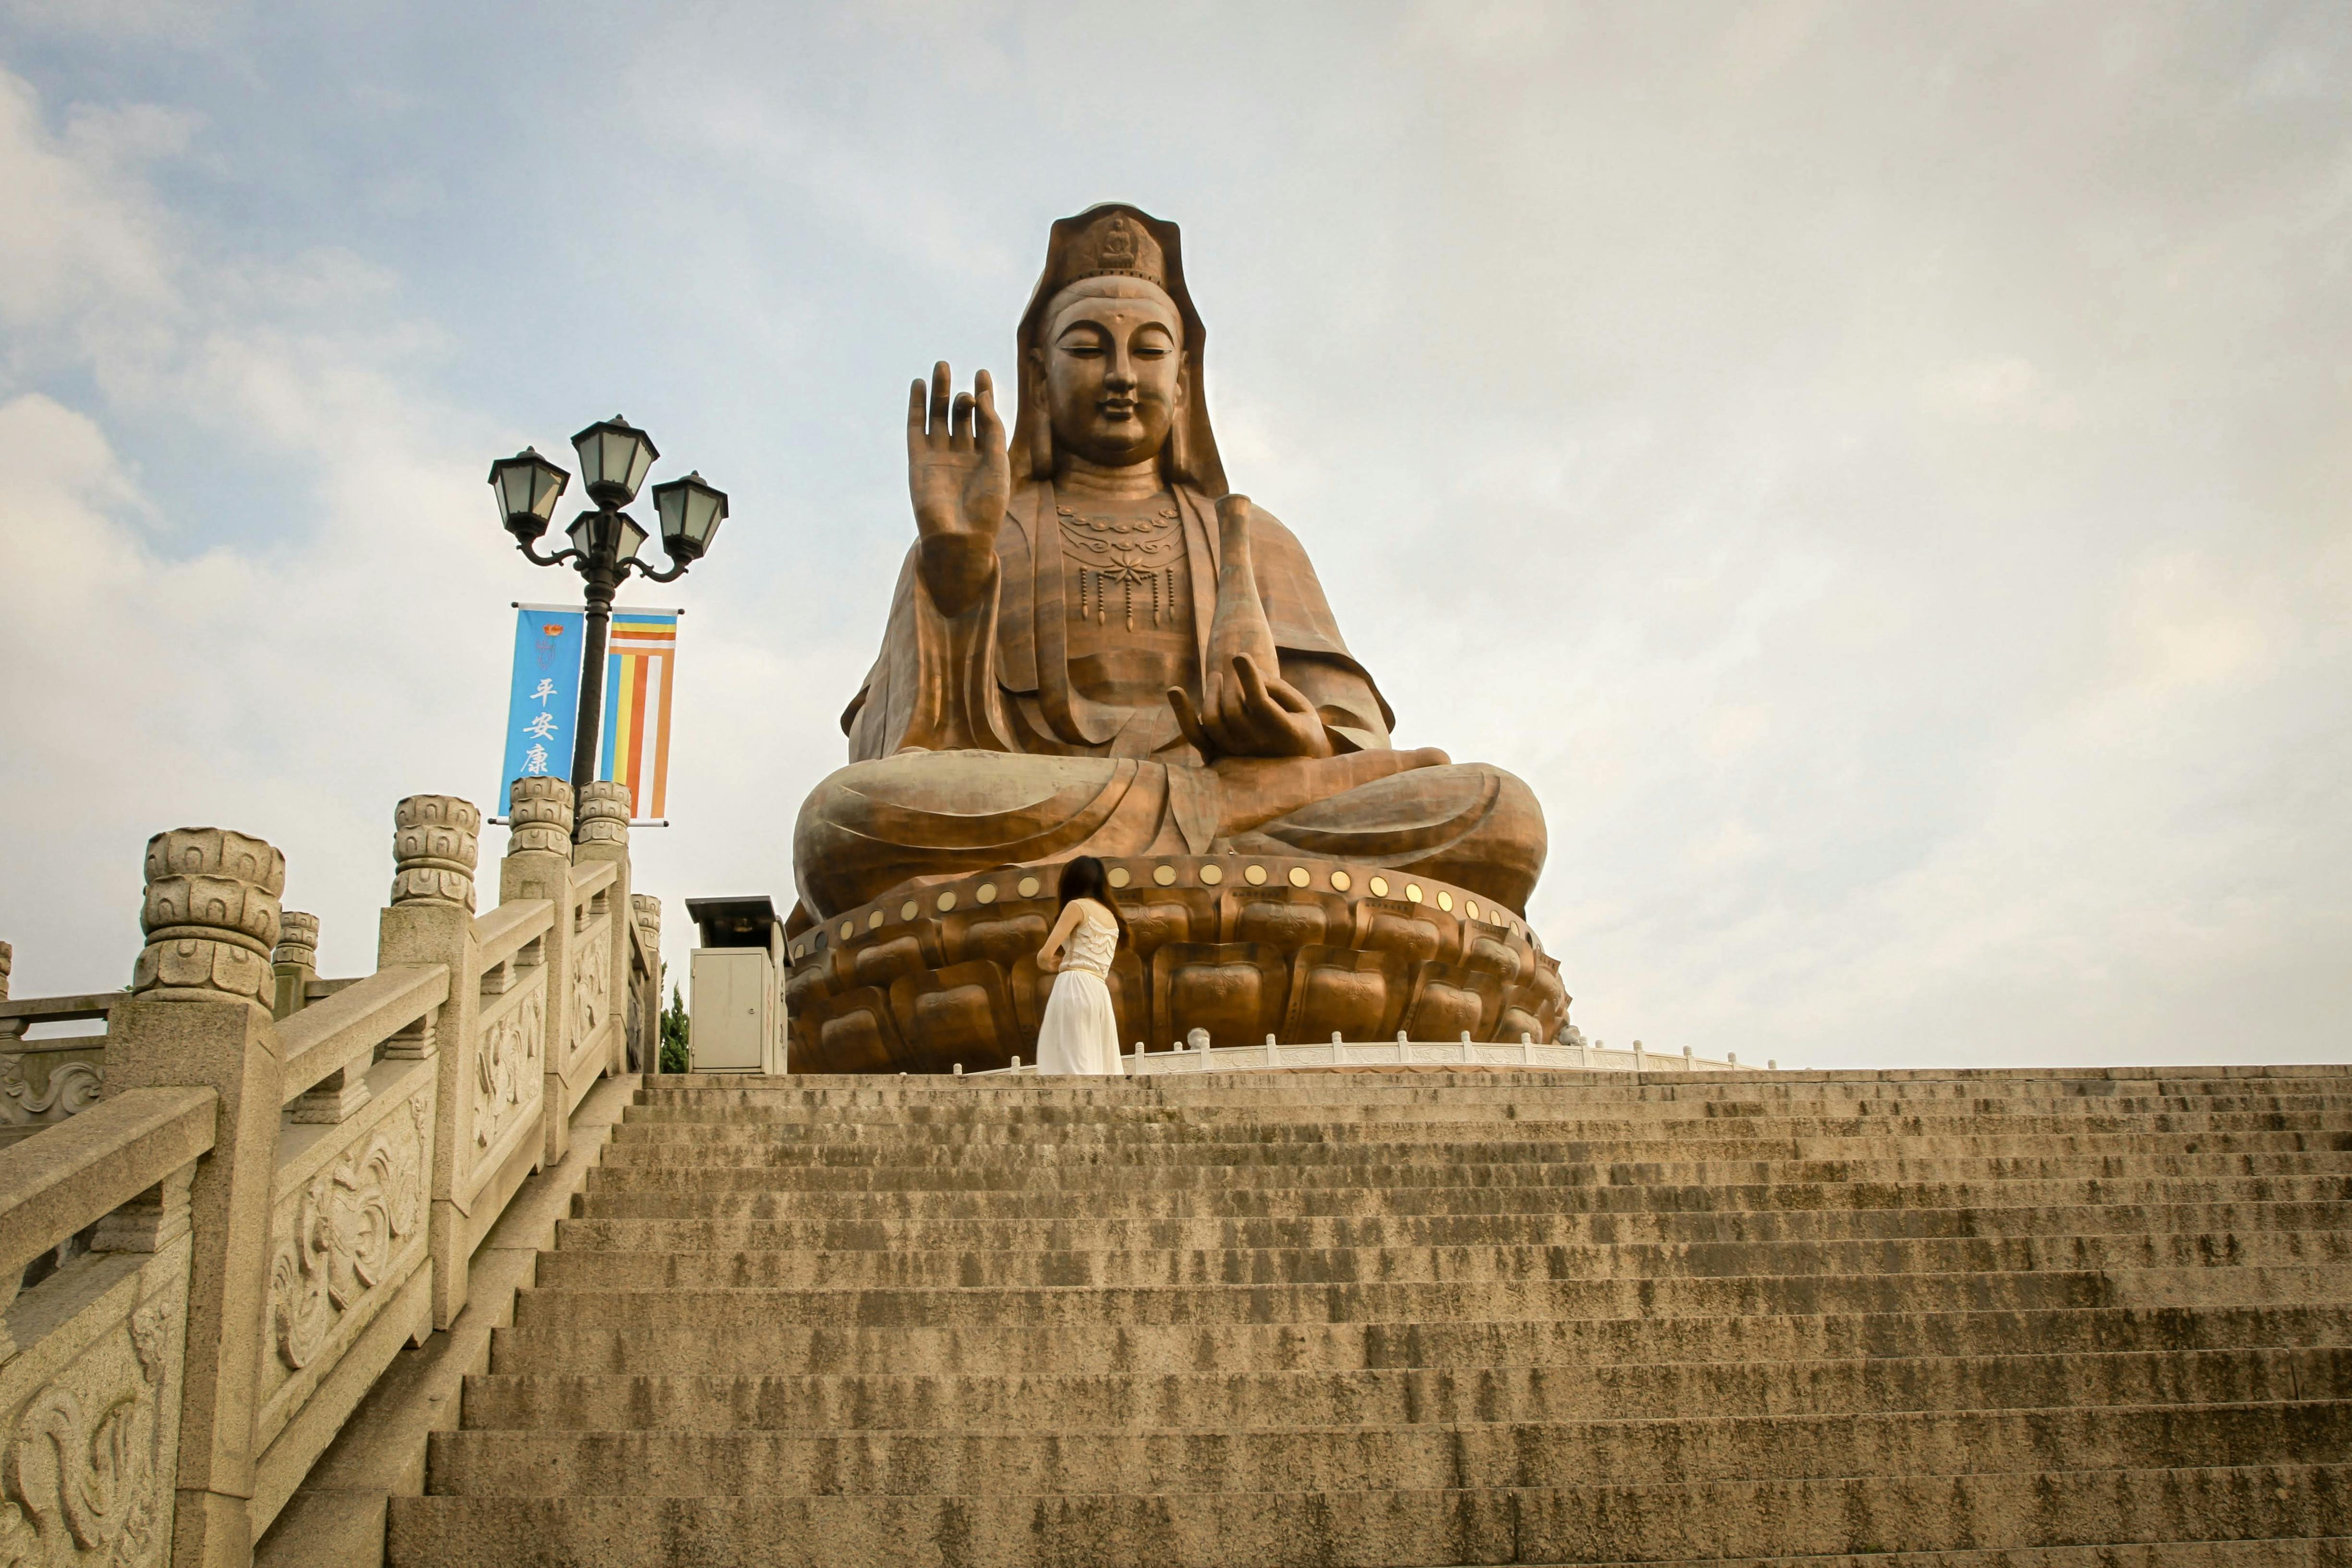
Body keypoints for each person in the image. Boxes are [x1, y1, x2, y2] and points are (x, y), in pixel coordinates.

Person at [1031, 856, 1127, 1075]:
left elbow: (1045, 955)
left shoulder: (1076, 907)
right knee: (1099, 1060)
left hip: (1074, 985)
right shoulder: (1112, 918)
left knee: (1070, 1058)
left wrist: (1054, 965)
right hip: (1099, 991)